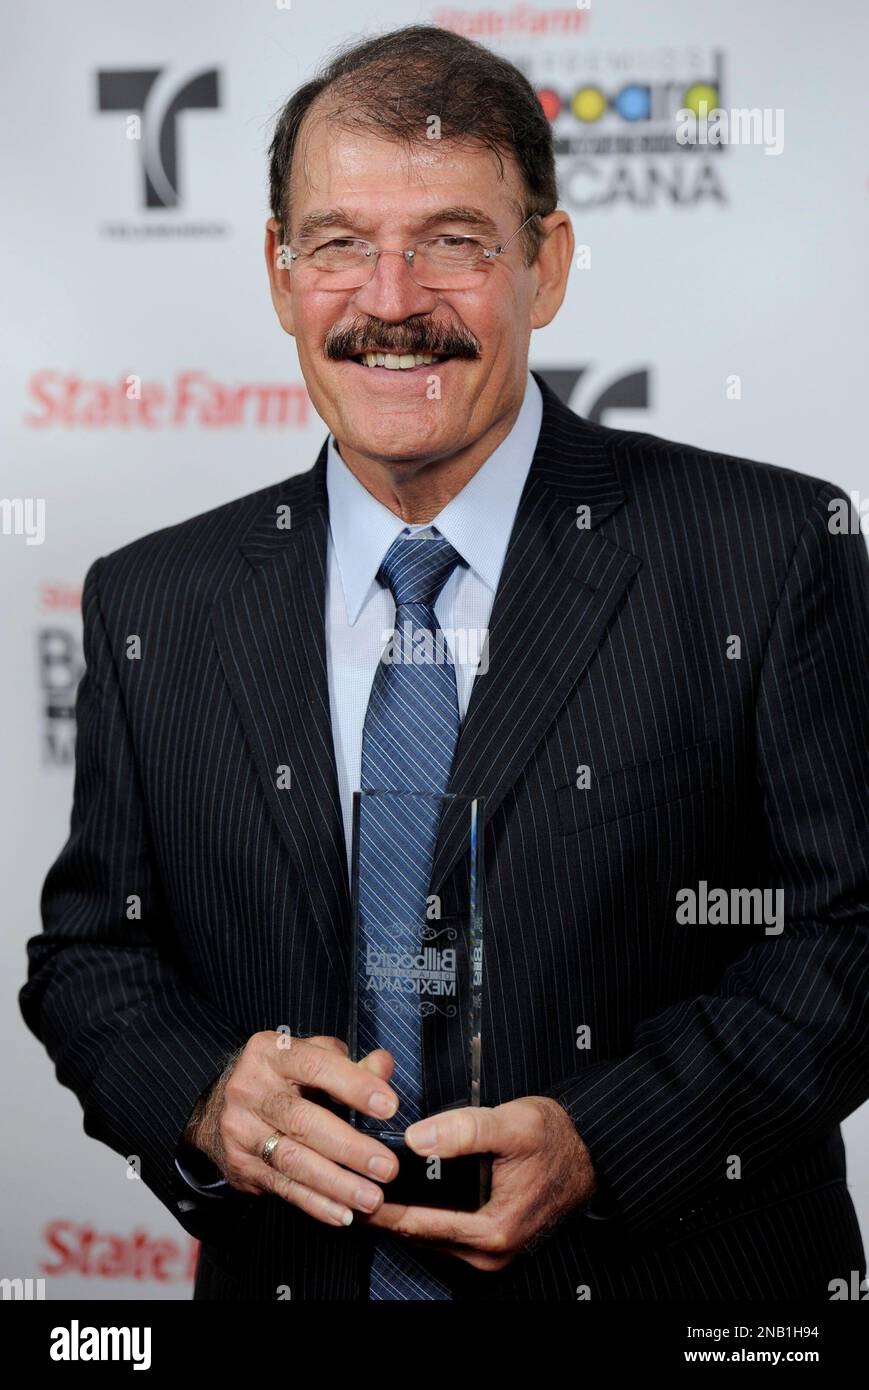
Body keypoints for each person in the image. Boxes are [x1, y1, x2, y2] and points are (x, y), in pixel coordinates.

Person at [21, 24, 869, 1301]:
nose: (392, 299)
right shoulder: (159, 598)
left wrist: (605, 1141)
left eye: (454, 241)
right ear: (278, 269)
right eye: (340, 243)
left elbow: (849, 930)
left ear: (548, 261)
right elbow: (92, 954)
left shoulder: (763, 550)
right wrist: (205, 1096)